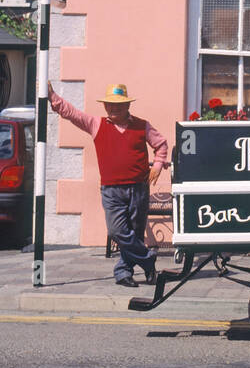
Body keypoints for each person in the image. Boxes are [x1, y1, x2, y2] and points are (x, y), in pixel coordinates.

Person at [47, 82, 168, 288]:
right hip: (111, 189)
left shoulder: (142, 125)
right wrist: (52, 96)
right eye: (109, 104)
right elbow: (72, 113)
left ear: (128, 105)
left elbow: (161, 144)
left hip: (138, 187)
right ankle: (148, 260)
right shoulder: (96, 124)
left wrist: (157, 165)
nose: (113, 108)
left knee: (136, 232)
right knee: (116, 230)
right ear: (104, 106)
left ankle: (124, 273)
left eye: (118, 105)